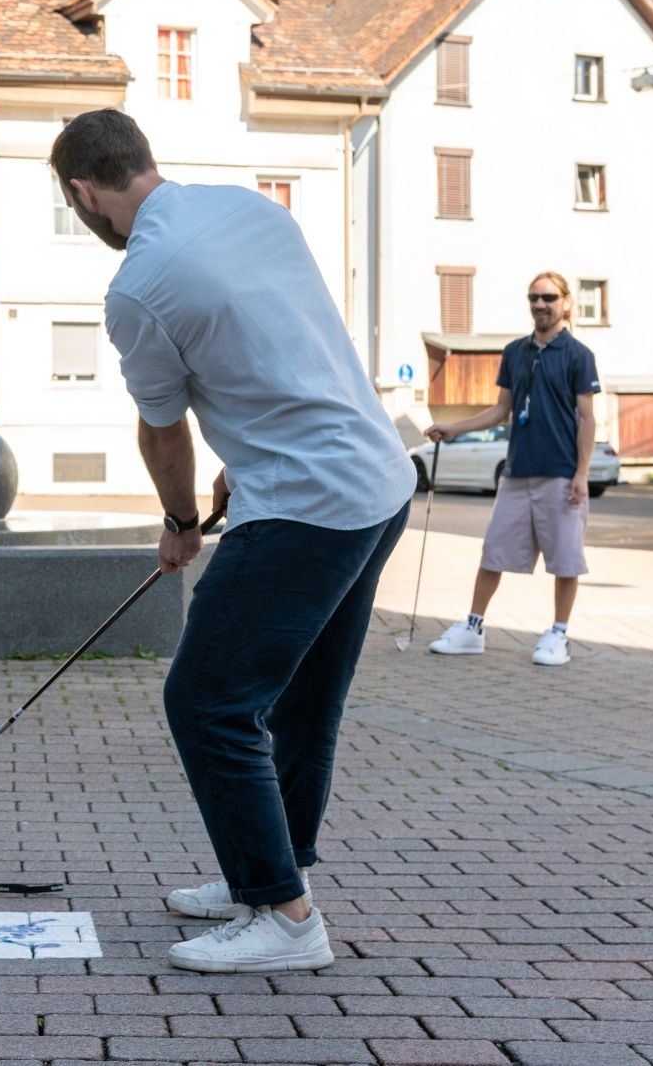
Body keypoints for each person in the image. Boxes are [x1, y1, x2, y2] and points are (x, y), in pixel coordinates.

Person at [50, 109, 415, 973]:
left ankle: (286, 919)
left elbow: (163, 432)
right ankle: (269, 872)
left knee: (208, 702)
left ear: (83, 192)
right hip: (378, 481)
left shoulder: (137, 286)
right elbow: (286, 343)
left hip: (308, 506)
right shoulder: (255, 210)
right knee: (301, 705)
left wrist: (179, 525)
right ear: (144, 158)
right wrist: (244, 460)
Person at [423, 271, 600, 667]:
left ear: (566, 302)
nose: (540, 304)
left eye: (549, 297)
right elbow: (501, 411)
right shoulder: (515, 352)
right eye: (534, 297)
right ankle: (472, 628)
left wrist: (582, 474)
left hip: (561, 473)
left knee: (566, 559)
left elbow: (587, 419)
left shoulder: (578, 355)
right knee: (493, 552)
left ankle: (558, 635)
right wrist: (453, 427)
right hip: (517, 473)